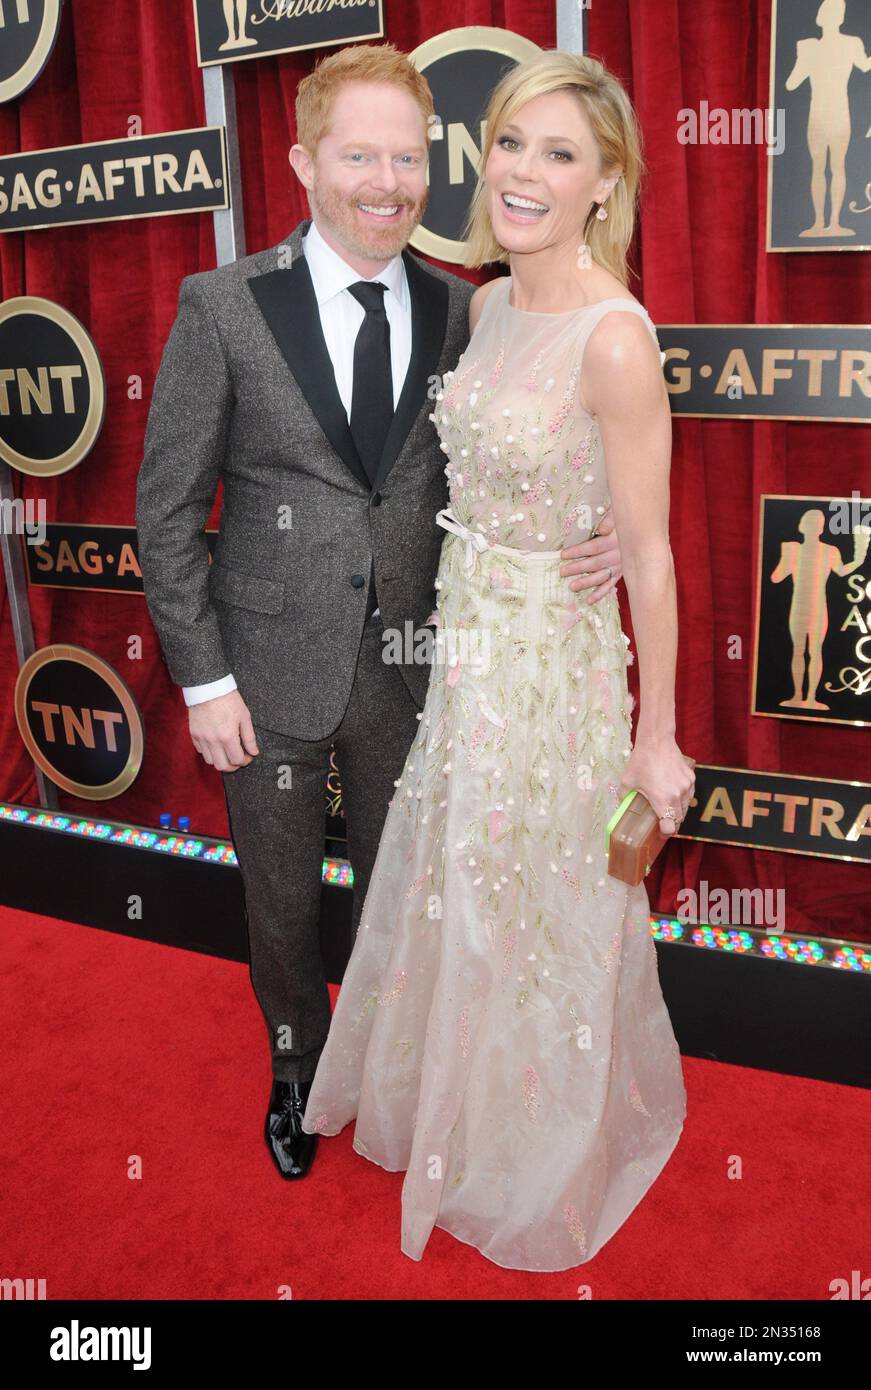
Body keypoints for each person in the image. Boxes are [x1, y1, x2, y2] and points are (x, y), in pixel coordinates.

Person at [135, 43, 623, 1184]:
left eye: (406, 157)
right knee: (280, 899)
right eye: (359, 154)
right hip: (264, 675)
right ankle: (298, 1069)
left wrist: (581, 534)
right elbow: (164, 515)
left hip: (428, 669)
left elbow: (504, 461)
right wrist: (204, 681)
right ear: (306, 160)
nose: (386, 182)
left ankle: (407, 1072)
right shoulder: (222, 306)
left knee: (420, 895)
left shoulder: (469, 310)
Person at [301, 49, 695, 1272]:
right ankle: (456, 1110)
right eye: (512, 142)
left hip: (557, 664)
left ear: (604, 186)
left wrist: (658, 739)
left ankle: (535, 1139)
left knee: (543, 891)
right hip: (473, 644)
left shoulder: (617, 340)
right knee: (459, 873)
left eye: (559, 154)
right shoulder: (484, 304)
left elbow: (652, 556)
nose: (523, 171)